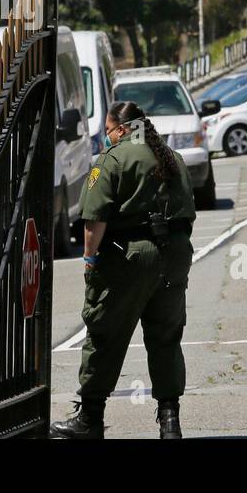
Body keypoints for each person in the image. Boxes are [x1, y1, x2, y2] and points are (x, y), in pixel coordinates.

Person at [50, 101, 195, 440]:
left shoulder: (112, 159)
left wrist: (89, 261)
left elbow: (94, 220)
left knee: (105, 335)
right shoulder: (173, 157)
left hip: (129, 258)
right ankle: (170, 423)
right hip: (174, 256)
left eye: (110, 130)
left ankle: (90, 419)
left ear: (120, 128)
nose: (109, 136)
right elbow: (188, 212)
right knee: (166, 337)